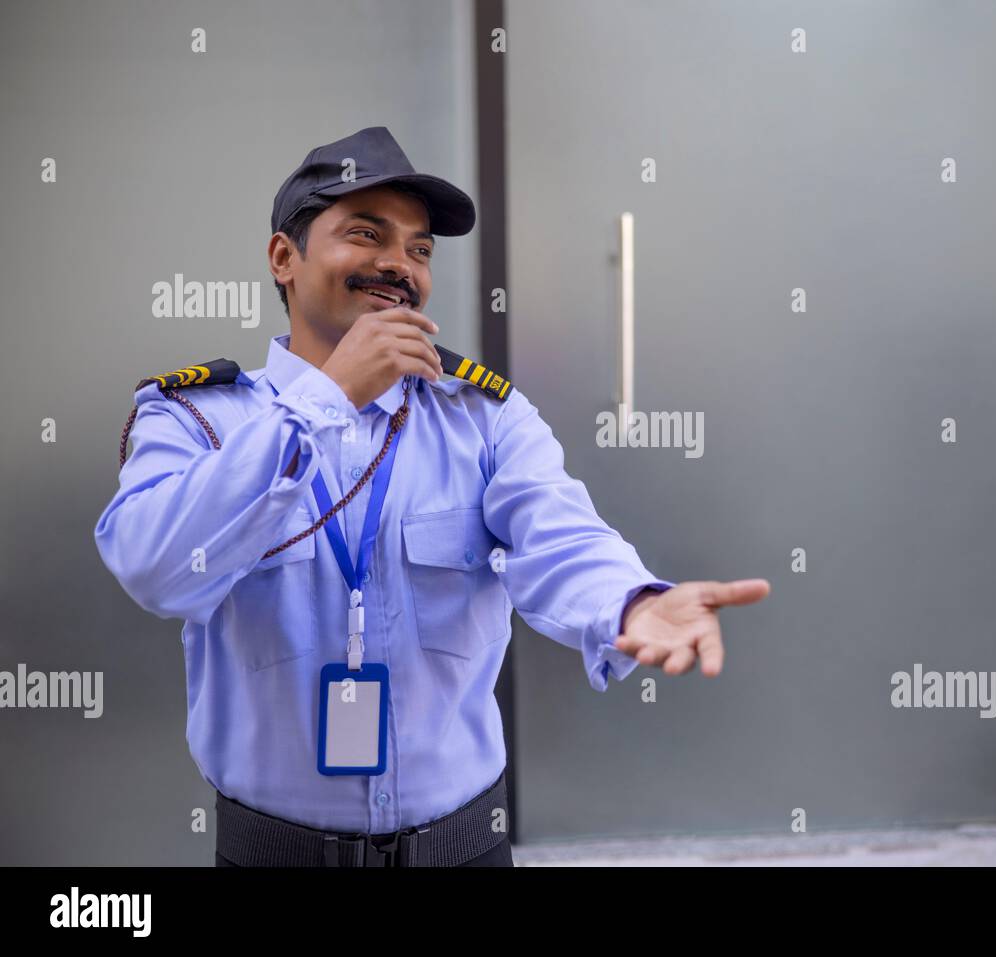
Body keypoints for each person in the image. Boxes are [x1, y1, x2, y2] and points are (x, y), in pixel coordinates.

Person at [94, 126, 770, 867]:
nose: (398, 263)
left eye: (419, 249)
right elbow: (155, 567)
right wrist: (327, 398)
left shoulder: (481, 417)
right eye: (365, 233)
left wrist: (633, 602)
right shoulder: (193, 415)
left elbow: (560, 536)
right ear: (283, 258)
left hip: (463, 851)